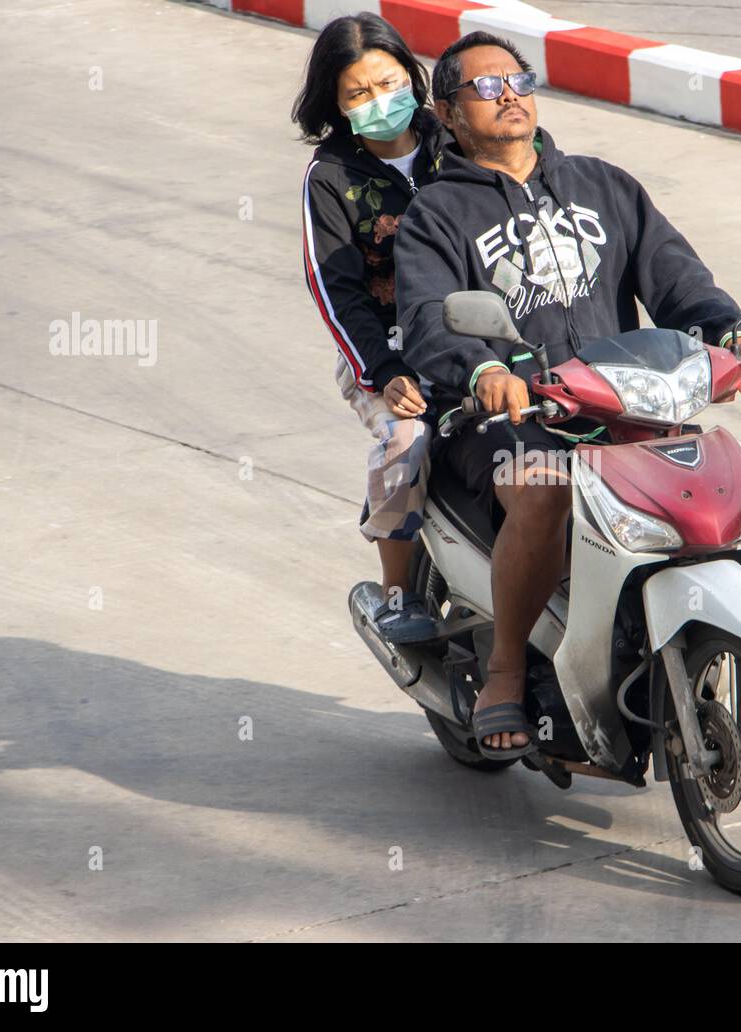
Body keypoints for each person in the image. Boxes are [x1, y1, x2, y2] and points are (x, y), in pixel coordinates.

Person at [394, 31, 741, 756]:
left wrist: (730, 335)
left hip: (623, 406)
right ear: (448, 113)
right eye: (485, 87)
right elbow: (425, 316)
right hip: (503, 419)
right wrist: (485, 373)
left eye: (518, 80)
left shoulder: (604, 186)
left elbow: (677, 280)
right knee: (542, 489)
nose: (508, 95)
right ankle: (507, 673)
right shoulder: (438, 214)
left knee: (707, 481)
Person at [294, 12, 448, 643]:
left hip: (486, 339)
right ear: (335, 103)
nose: (380, 101)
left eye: (388, 82)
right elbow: (336, 291)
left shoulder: (458, 140)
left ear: (412, 76)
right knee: (406, 441)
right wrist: (384, 375)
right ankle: (398, 591)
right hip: (386, 351)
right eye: (359, 93)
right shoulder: (330, 178)